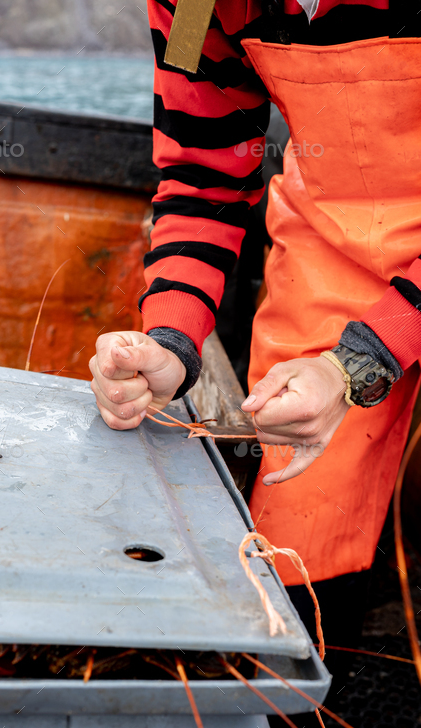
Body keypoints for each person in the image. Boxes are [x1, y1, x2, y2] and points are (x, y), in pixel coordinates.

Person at [89, 0, 421, 670]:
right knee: (297, 544)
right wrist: (171, 342)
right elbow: (201, 174)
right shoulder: (190, 7)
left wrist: (358, 365)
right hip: (333, 247)